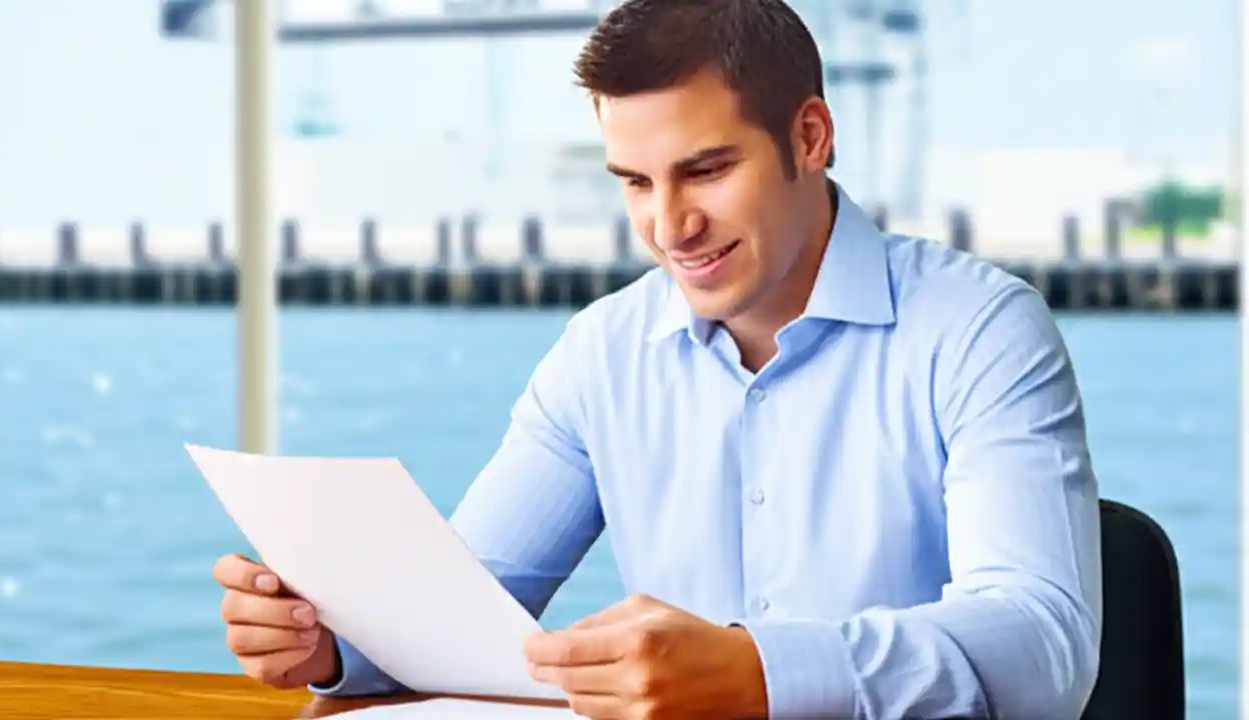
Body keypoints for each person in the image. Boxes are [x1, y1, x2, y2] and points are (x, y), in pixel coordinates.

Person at [212, 0, 1102, 717]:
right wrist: (330, 640)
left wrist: (762, 673)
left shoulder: (981, 331)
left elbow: (1043, 645)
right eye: (636, 183)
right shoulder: (603, 352)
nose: (670, 227)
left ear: (811, 137)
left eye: (706, 170)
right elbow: (464, 611)